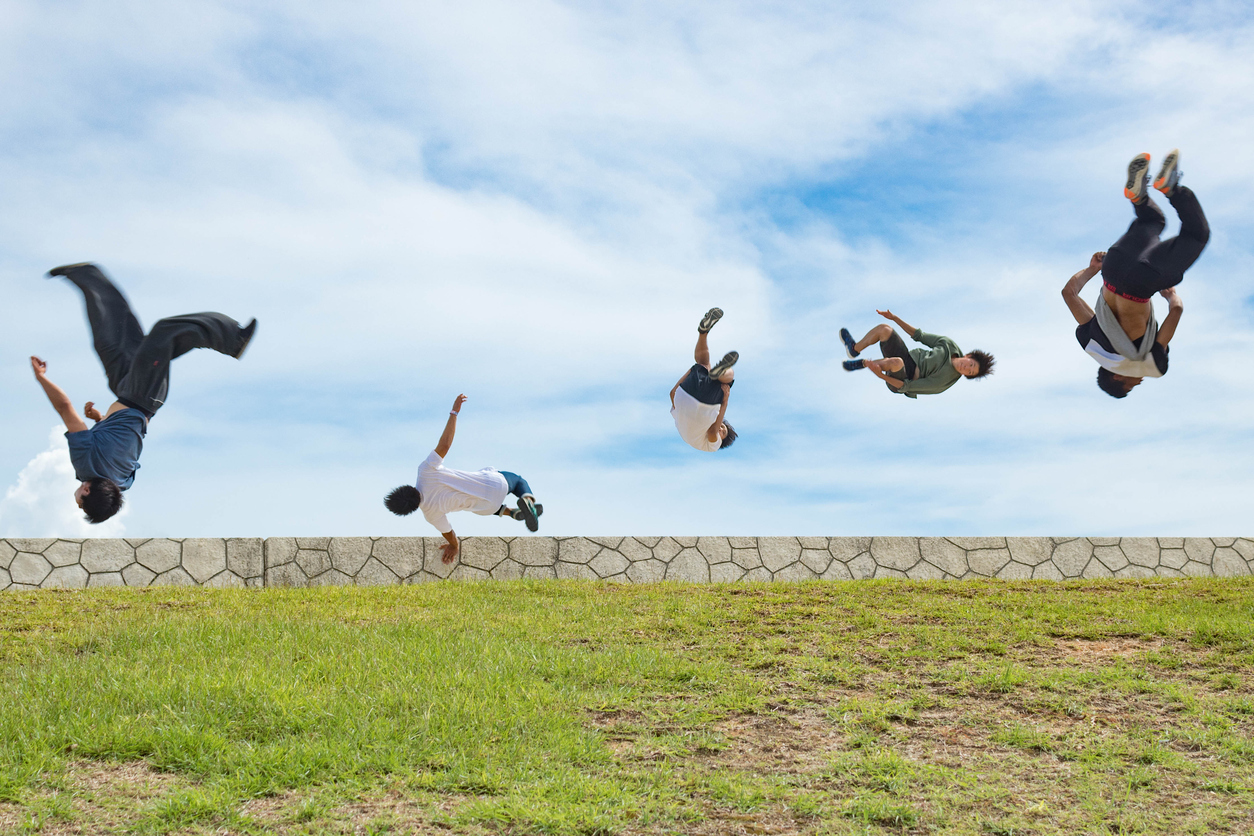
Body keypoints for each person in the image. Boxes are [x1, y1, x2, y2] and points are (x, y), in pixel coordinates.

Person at [33, 263, 256, 523]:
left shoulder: (123, 483)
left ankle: (86, 274)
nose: (78, 504)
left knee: (112, 338)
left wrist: (100, 420)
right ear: (86, 491)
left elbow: (125, 440)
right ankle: (232, 339)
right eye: (83, 505)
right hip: (141, 394)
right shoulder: (85, 466)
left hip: (127, 389)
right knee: (164, 333)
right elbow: (64, 407)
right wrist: (41, 378)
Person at [1062, 150, 1207, 398]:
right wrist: (1092, 269)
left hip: (1141, 283)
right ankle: (1139, 197)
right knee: (1153, 221)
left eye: (1132, 385)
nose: (1139, 381)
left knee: (1196, 235)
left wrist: (1172, 297)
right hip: (1112, 269)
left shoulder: (1148, 366)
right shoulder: (1091, 342)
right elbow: (1069, 293)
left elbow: (1177, 311)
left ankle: (1171, 188)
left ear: (1116, 377)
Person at [384, 394, 543, 564]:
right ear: (405, 488)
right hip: (494, 484)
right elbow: (445, 445)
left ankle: (512, 513)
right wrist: (454, 412)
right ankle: (527, 502)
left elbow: (449, 532)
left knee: (478, 505)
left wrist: (454, 545)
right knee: (518, 482)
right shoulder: (424, 471)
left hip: (486, 507)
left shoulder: (430, 515)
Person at [839, 310, 994, 398]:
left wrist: (882, 376)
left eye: (970, 372)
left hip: (903, 380)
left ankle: (863, 364)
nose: (966, 368)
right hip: (908, 358)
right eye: (971, 365)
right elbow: (919, 335)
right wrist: (894, 318)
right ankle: (854, 349)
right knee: (884, 329)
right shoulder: (949, 345)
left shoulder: (945, 381)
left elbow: (907, 386)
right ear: (969, 356)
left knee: (896, 362)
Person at [670, 308, 737, 451]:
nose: (720, 430)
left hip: (704, 404)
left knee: (728, 377)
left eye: (722, 433)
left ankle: (717, 369)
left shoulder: (712, 446)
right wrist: (694, 369)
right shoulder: (683, 428)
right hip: (685, 395)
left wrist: (725, 401)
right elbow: (672, 394)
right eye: (723, 428)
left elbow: (712, 433)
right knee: (703, 365)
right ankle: (703, 332)